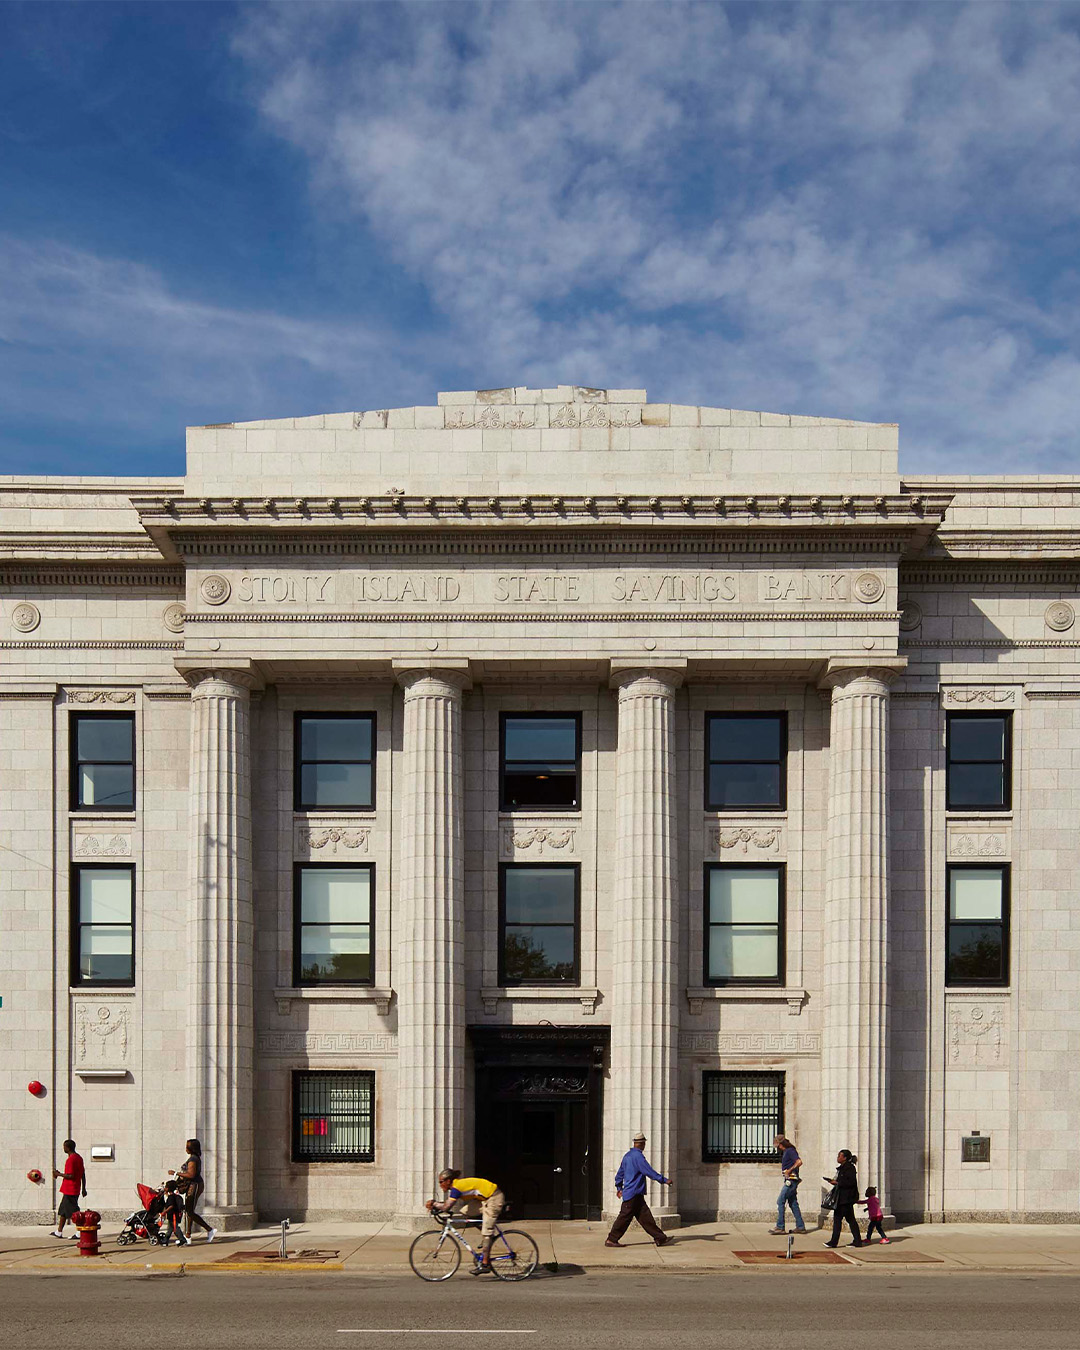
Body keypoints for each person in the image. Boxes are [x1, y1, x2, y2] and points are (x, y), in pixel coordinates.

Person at [426, 1170, 505, 1274]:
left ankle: (485, 1264)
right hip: (484, 1199)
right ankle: (487, 1235)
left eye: (441, 1182)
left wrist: (434, 1204)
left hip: (494, 1198)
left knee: (486, 1233)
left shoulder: (456, 1188)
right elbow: (447, 1203)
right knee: (465, 1211)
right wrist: (436, 1205)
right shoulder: (456, 1187)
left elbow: (446, 1207)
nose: (440, 1185)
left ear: (448, 1181)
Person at [605, 1133, 672, 1248]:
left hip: (634, 1194)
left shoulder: (627, 1156)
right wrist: (664, 1180)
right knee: (624, 1218)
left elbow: (619, 1175)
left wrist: (619, 1188)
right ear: (642, 1144)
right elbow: (649, 1172)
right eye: (644, 1143)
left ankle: (660, 1237)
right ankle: (611, 1239)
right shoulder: (639, 1157)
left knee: (646, 1218)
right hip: (633, 1193)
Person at [169, 1138, 216, 1243]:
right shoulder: (193, 1158)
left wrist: (176, 1173)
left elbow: (191, 1175)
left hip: (194, 1186)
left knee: (189, 1211)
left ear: (192, 1148)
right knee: (189, 1211)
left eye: (188, 1147)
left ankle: (209, 1229)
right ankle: (188, 1235)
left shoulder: (193, 1160)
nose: (186, 1148)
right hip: (192, 1186)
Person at [822, 1148, 863, 1248]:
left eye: (839, 1156)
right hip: (842, 1198)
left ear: (844, 1158)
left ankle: (834, 1242)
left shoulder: (850, 1168)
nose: (838, 1157)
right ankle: (857, 1241)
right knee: (850, 1220)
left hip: (845, 1199)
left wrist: (837, 1183)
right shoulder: (842, 1168)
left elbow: (851, 1182)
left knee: (839, 1220)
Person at [768, 1133, 807, 1235]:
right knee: (793, 1203)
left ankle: (780, 1227)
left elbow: (799, 1162)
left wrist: (789, 1170)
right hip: (790, 1180)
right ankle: (800, 1226)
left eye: (777, 1143)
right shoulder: (787, 1151)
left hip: (791, 1180)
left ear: (780, 1144)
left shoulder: (790, 1151)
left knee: (780, 1201)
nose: (777, 1146)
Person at [50, 1139, 86, 1239]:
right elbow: (82, 1174)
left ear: (68, 1148)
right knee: (63, 1211)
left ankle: (80, 1231)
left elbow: (71, 1175)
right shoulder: (79, 1158)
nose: (63, 1148)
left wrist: (58, 1174)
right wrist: (84, 1188)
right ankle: (59, 1231)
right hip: (74, 1188)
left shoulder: (71, 1160)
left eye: (64, 1147)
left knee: (74, 1212)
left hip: (70, 1189)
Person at [159, 1180, 190, 1246]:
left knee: (176, 1229)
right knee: (170, 1229)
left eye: (166, 1187)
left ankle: (182, 1240)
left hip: (173, 1216)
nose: (165, 1188)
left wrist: (164, 1212)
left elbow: (171, 1206)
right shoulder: (172, 1196)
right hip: (172, 1216)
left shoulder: (171, 1197)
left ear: (168, 1188)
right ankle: (165, 1241)